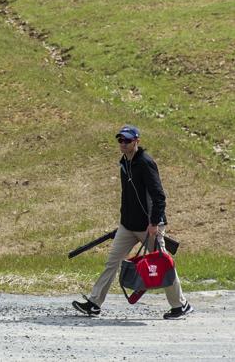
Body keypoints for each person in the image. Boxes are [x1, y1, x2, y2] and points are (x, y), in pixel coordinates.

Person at [72, 125, 192, 319]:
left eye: (127, 140)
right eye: (120, 140)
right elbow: (127, 196)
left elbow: (159, 196)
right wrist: (124, 221)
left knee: (163, 264)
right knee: (112, 262)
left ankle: (181, 305)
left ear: (137, 141)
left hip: (149, 226)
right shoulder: (124, 163)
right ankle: (94, 303)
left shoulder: (145, 162)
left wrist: (154, 223)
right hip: (128, 226)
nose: (123, 143)